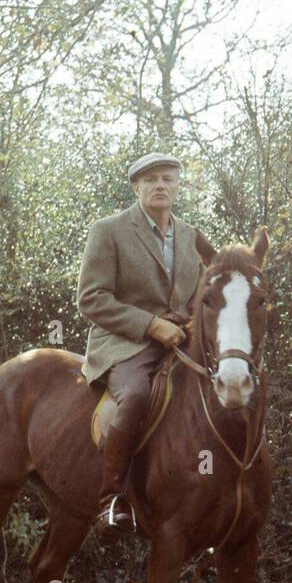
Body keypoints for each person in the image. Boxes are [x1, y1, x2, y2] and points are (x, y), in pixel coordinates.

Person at [77, 152, 215, 532]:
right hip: (124, 342)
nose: (160, 186)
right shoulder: (109, 230)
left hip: (179, 340)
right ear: (136, 187)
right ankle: (111, 500)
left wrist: (189, 321)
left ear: (177, 186)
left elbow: (200, 296)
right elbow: (91, 298)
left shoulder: (190, 236)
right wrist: (152, 325)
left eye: (168, 179)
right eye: (151, 179)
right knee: (137, 394)